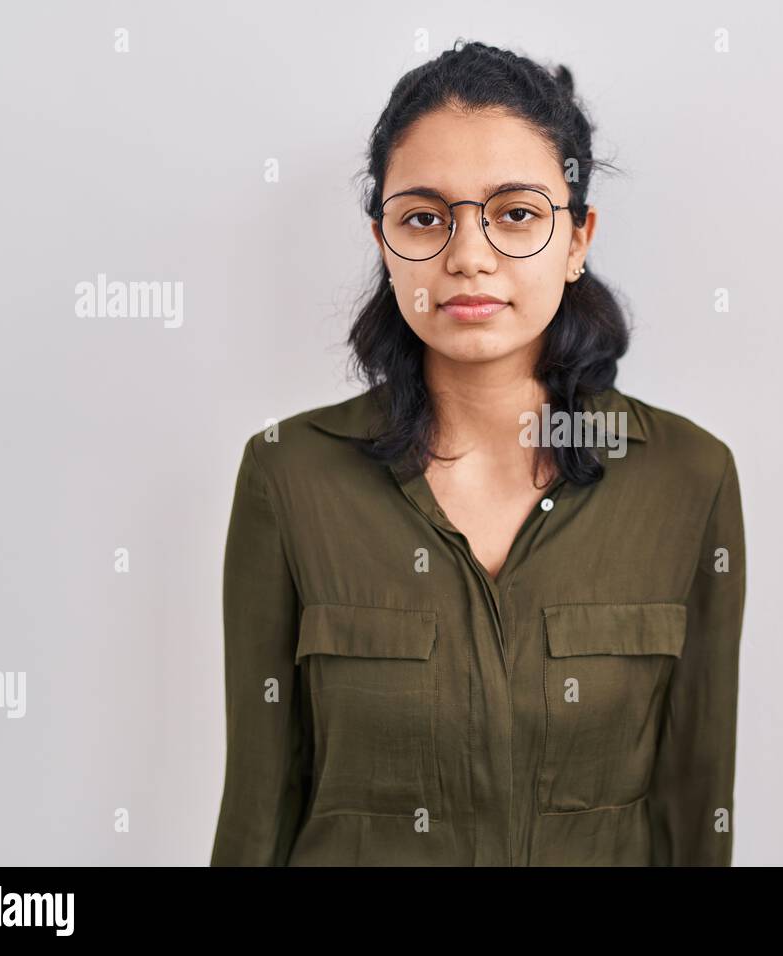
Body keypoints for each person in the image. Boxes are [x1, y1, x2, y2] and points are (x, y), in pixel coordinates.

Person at [210, 39, 745, 866]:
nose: (468, 256)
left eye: (517, 213)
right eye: (424, 217)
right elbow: (257, 806)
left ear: (577, 240)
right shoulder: (290, 474)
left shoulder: (687, 477)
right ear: (385, 243)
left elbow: (695, 804)